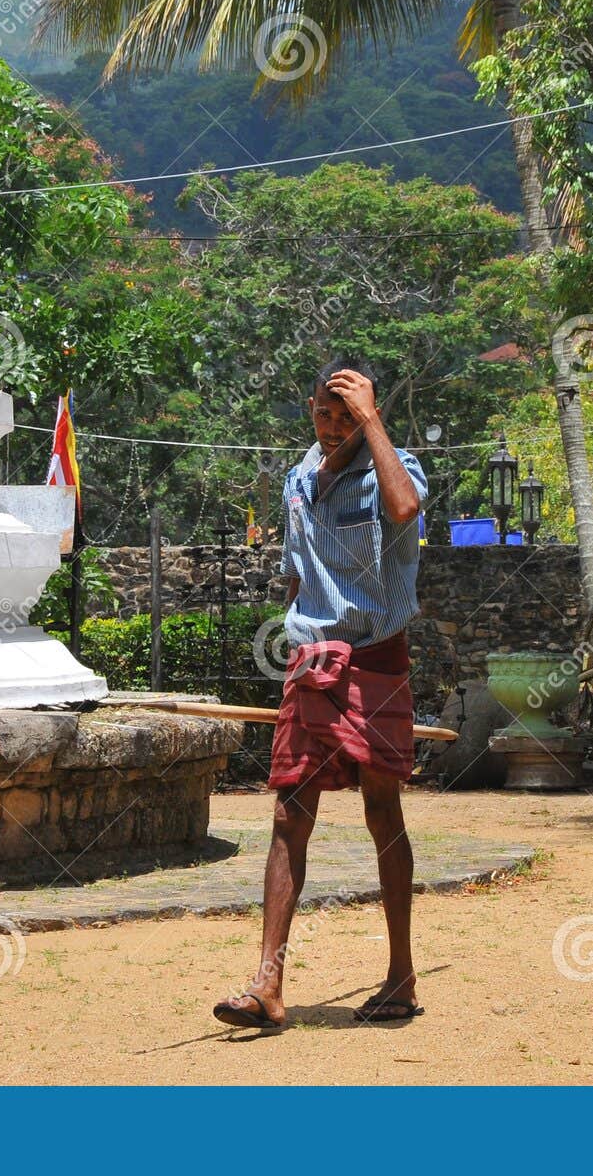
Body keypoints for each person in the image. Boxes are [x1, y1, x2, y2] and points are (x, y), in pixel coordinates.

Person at [213, 358, 428, 1031]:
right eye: (323, 413)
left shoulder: (396, 467)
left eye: (346, 415)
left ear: (368, 413)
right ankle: (267, 986)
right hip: (313, 661)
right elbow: (297, 576)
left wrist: (373, 423)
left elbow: (405, 509)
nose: (332, 427)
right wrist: (290, 648)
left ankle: (400, 976)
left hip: (377, 659)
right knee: (288, 816)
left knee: (382, 812)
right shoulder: (300, 479)